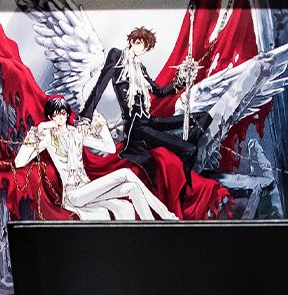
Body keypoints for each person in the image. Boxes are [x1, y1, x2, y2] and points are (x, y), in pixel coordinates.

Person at [79, 26, 210, 187]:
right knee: (189, 150)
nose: (142, 49)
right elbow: (99, 87)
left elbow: (160, 92)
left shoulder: (140, 68)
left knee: (204, 117)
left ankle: (182, 146)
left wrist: (181, 80)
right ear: (131, 41)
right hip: (136, 126)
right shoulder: (117, 56)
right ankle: (184, 189)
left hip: (148, 120)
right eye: (140, 43)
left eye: (146, 47)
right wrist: (85, 117)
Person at [13, 96, 176, 221]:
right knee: (126, 173)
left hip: (88, 189)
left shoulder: (76, 132)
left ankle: (149, 225)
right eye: (56, 114)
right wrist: (38, 130)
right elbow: (19, 162)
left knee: (131, 189)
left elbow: (110, 148)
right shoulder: (47, 137)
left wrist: (99, 122)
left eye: (62, 113)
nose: (60, 117)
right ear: (50, 117)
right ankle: (167, 217)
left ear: (67, 113)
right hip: (73, 194)